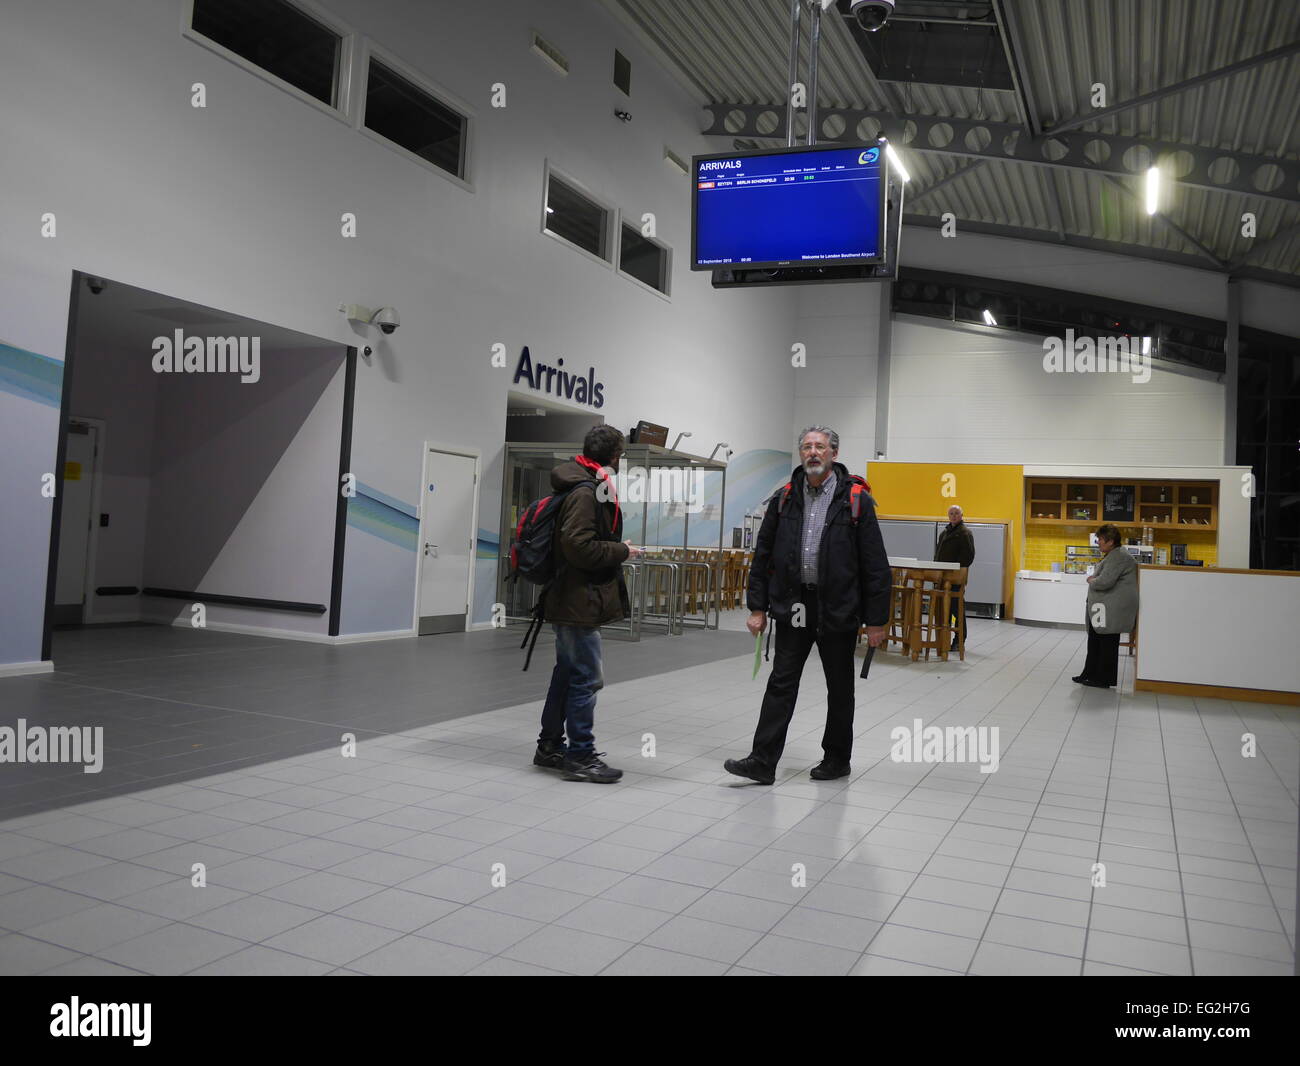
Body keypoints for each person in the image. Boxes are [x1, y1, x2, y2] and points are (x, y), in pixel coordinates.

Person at [724, 426, 892, 785]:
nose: (812, 452)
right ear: (800, 453)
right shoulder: (785, 498)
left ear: (834, 452)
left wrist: (876, 620)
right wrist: (757, 606)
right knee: (781, 682)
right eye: (806, 447)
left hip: (837, 606)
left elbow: (875, 564)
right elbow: (763, 554)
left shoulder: (856, 498)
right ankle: (762, 761)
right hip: (794, 604)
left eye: (820, 446)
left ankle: (836, 759)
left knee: (839, 686)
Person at [533, 425, 644, 783]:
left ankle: (549, 746)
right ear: (614, 456)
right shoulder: (586, 491)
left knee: (567, 672)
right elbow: (578, 545)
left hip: (570, 597)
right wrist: (622, 550)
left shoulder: (580, 484)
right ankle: (580, 755)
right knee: (586, 678)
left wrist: (613, 546)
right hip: (577, 600)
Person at [1073, 524, 1138, 689]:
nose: (1098, 542)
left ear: (1110, 541)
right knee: (1095, 640)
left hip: (1112, 610)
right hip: (1105, 608)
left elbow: (1105, 581)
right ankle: (1089, 673)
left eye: (1100, 539)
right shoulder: (1114, 554)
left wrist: (1091, 580)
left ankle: (1102, 678)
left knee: (1106, 643)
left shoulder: (1118, 557)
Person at [934, 504, 975, 650]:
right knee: (942, 609)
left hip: (955, 578)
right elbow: (937, 554)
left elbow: (968, 556)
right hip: (941, 577)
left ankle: (959, 639)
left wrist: (956, 571)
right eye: (951, 513)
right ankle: (942, 639)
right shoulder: (944, 533)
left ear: (962, 515)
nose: (953, 516)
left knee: (956, 609)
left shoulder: (965, 533)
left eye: (956, 513)